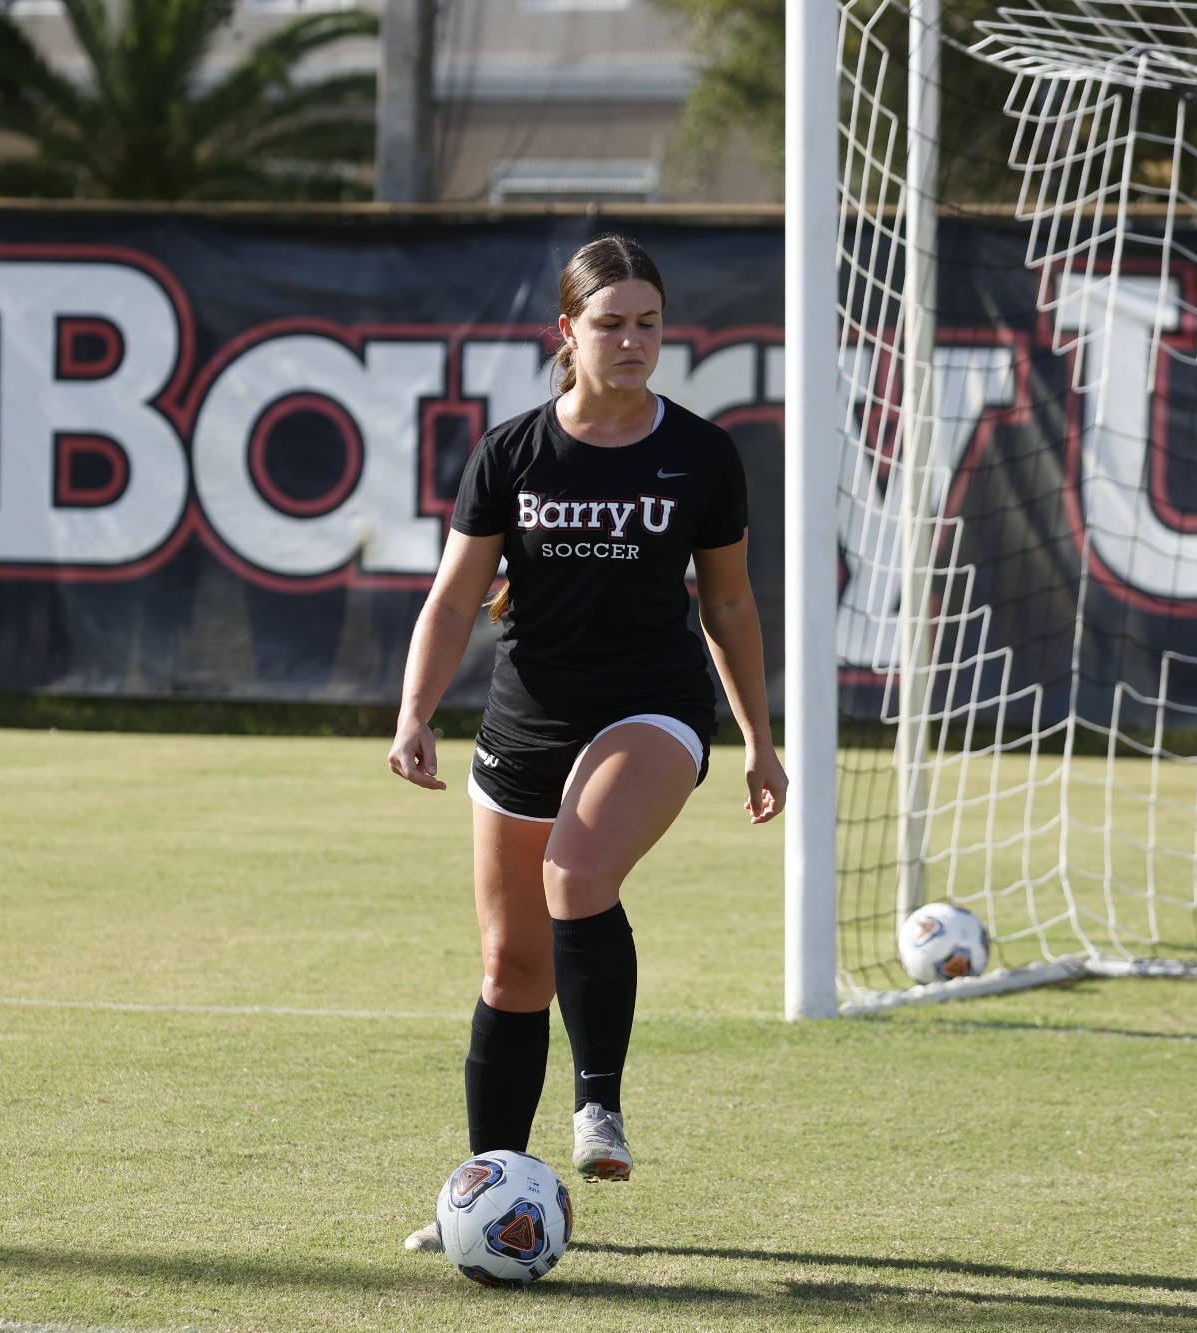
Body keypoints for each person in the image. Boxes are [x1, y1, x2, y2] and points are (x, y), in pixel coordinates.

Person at [385, 234, 787, 1252]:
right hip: (525, 721)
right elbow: (452, 596)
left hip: (650, 709)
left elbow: (730, 604)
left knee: (575, 872)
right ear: (567, 332)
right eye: (610, 323)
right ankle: (482, 1188)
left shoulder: (699, 453)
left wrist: (756, 736)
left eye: (648, 322)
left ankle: (597, 1105)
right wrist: (415, 710)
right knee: (511, 966)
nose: (632, 340)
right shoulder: (512, 452)